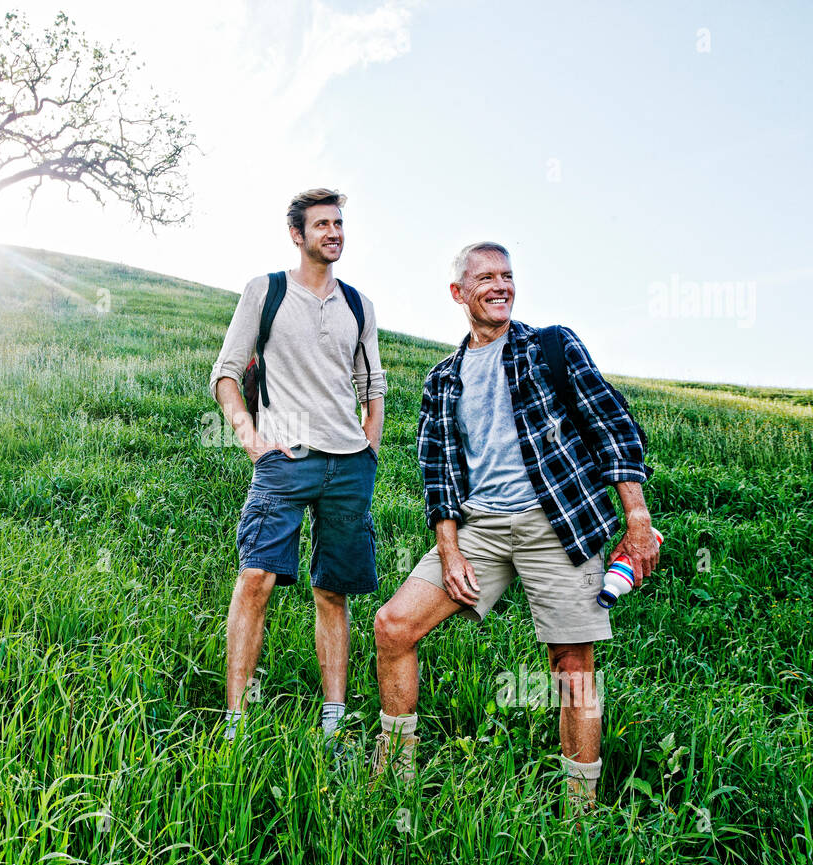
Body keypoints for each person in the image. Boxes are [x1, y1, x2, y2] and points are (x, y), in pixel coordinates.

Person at [371, 242, 658, 811]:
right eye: (485, 277)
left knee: (572, 665)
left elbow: (611, 425)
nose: (500, 285)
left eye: (507, 275)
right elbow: (440, 474)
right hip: (480, 528)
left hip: (556, 524)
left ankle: (581, 809)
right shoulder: (442, 379)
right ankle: (394, 770)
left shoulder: (550, 345)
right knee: (393, 626)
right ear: (459, 292)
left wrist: (638, 518)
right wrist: (449, 550)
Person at [208, 187, 388, 746]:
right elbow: (226, 373)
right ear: (296, 234)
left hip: (348, 466)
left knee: (332, 590)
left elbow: (373, 386)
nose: (334, 233)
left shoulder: (358, 303)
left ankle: (333, 719)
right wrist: (252, 441)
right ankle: (237, 720)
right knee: (256, 576)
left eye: (339, 224)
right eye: (322, 225)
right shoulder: (266, 291)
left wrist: (370, 448)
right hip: (285, 459)